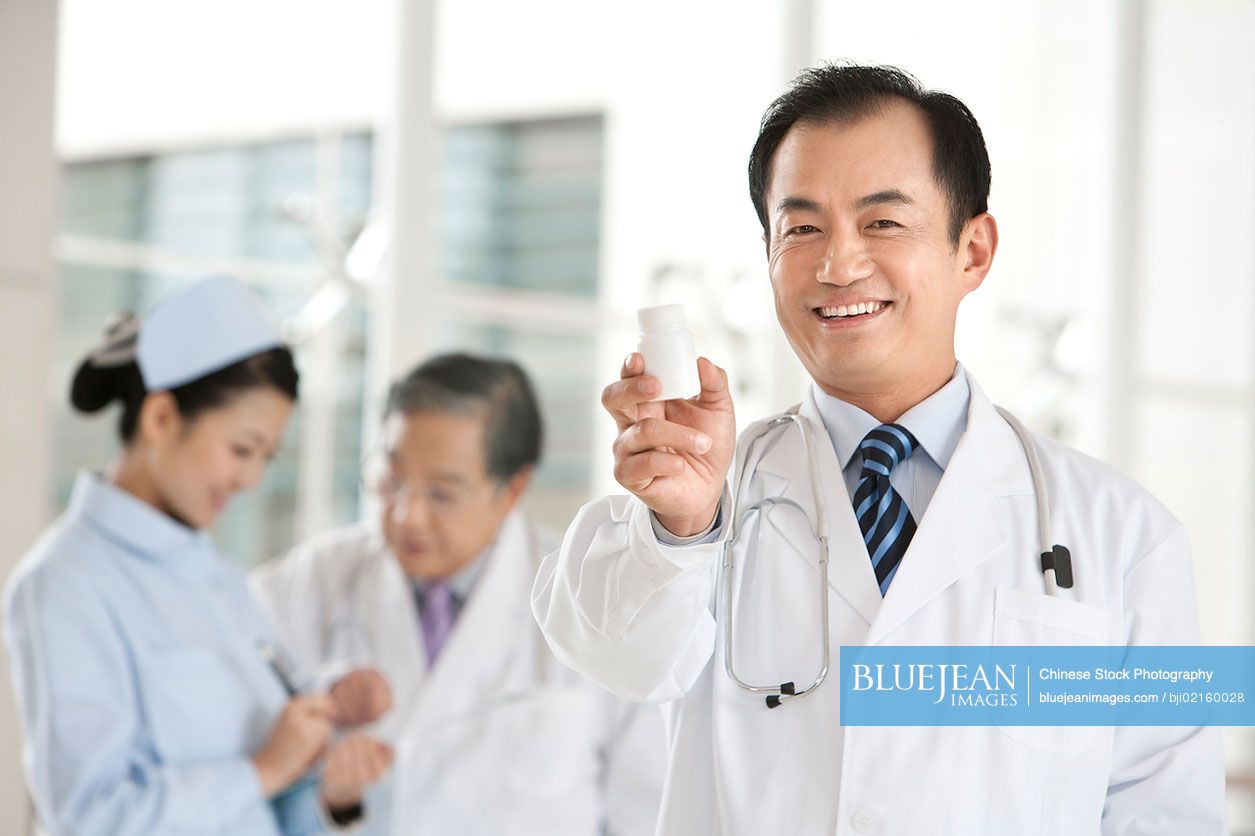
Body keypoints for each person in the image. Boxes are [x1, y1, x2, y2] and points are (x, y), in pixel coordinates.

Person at [531, 64, 1227, 834]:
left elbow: (1170, 814)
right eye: (800, 228)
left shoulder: (1129, 534)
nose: (837, 265)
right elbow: (612, 660)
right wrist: (682, 528)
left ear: (973, 251)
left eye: (882, 223)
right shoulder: (708, 501)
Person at [4, 276, 393, 835]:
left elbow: (273, 792)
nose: (253, 477)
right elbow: (92, 819)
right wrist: (260, 771)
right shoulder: (63, 583)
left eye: (266, 456)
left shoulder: (219, 578)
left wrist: (329, 757)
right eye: (241, 448)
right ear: (161, 419)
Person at [251, 353, 665, 835]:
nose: (408, 516)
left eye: (442, 494)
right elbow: (237, 752)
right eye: (392, 483)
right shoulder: (312, 582)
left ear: (512, 489)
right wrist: (323, 763)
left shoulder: (595, 597)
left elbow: (649, 809)